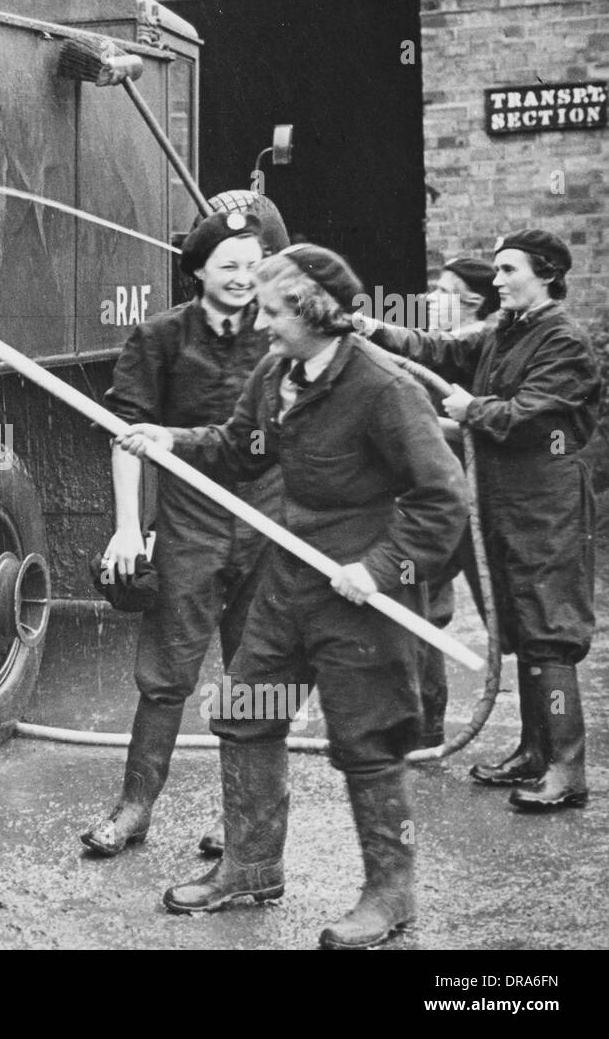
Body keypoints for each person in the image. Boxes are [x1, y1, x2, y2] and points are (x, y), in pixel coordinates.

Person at [123, 245, 467, 948]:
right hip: (290, 584)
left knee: (367, 739)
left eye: (275, 311)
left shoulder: (382, 388)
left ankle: (389, 894)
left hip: (359, 598)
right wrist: (170, 438)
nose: (262, 320)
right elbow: (240, 447)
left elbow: (443, 497)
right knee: (246, 710)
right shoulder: (278, 371)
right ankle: (250, 867)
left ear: (314, 314)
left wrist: (380, 567)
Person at [355, 230, 597, 810]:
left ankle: (567, 766)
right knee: (518, 627)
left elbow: (532, 415)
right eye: (496, 269)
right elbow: (440, 349)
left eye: (509, 270)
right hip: (506, 502)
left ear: (545, 274)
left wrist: (473, 409)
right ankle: (534, 751)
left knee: (549, 635)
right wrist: (371, 330)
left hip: (547, 506)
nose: (497, 280)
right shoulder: (507, 330)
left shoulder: (562, 339)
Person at [81, 196, 288, 860]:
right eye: (227, 264)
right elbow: (126, 434)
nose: (240, 275)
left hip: (266, 525)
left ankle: (244, 821)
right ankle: (135, 807)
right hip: (190, 531)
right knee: (166, 675)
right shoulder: (160, 338)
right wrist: (124, 527)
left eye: (252, 264)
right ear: (198, 271)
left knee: (257, 675)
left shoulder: (284, 334)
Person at [410, 256, 501, 748]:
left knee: (505, 616)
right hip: (438, 500)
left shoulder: (485, 348)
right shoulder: (437, 351)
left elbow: (482, 423)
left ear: (471, 302)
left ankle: (541, 740)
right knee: (423, 611)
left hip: (484, 501)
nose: (428, 299)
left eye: (442, 290)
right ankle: (425, 729)